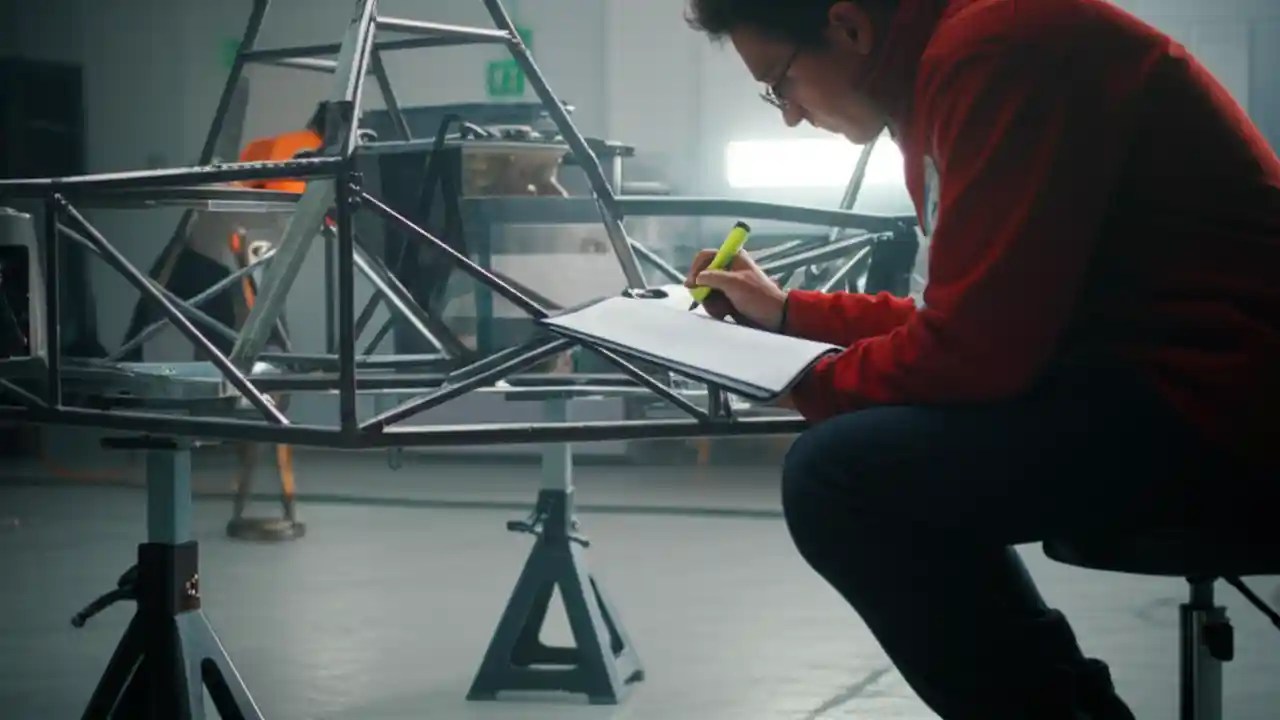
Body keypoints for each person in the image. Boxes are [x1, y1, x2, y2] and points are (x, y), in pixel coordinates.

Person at [682, 0, 1280, 718]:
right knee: (856, 462)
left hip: (1224, 407)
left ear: (849, 26)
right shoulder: (948, 72)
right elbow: (968, 313)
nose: (787, 114)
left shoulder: (997, 53)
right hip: (1160, 382)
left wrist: (797, 378)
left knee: (841, 478)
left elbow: (973, 354)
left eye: (779, 84)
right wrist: (785, 315)